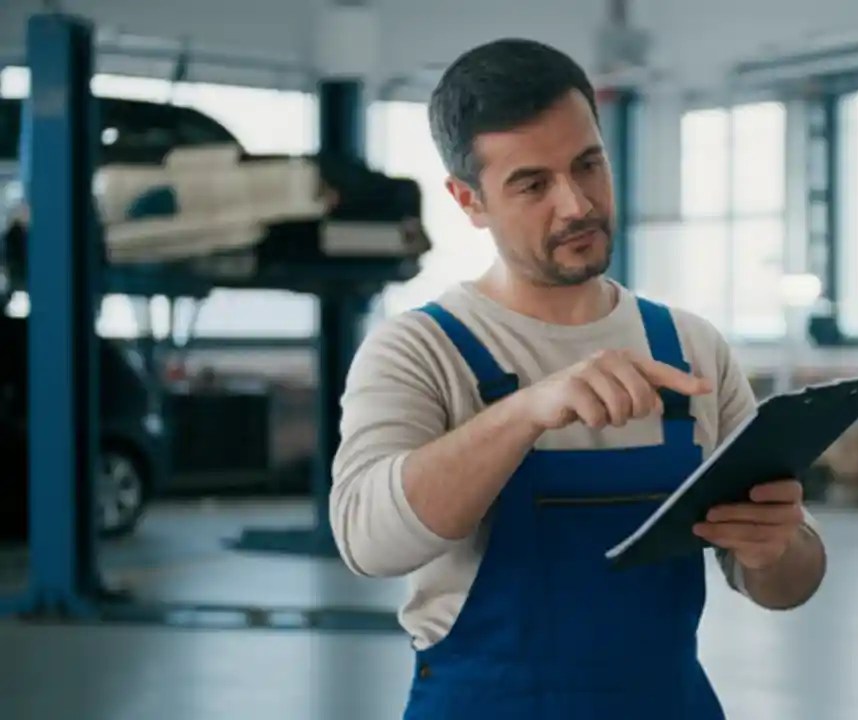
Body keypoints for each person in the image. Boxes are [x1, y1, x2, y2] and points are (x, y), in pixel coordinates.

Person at [330, 38, 827, 720]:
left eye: (588, 165)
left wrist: (778, 548)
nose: (576, 205)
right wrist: (524, 413)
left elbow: (787, 583)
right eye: (533, 185)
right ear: (467, 200)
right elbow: (368, 541)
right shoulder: (418, 350)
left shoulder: (690, 348)